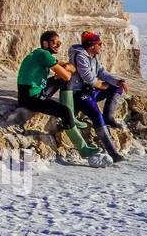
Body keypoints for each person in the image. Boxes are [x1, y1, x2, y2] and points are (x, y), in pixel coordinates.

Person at [16, 30, 101, 158]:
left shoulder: (41, 54)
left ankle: (72, 117)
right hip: (30, 98)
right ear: (45, 43)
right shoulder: (44, 55)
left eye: (59, 43)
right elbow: (67, 75)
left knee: (62, 79)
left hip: (36, 92)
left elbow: (69, 67)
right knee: (64, 111)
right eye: (54, 42)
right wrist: (66, 70)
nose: (57, 45)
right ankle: (83, 149)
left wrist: (66, 68)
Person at [67, 31, 129, 163]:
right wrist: (102, 85)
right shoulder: (80, 56)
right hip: (79, 94)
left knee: (117, 87)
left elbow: (102, 72)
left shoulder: (93, 57)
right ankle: (113, 153)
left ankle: (109, 117)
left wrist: (118, 81)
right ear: (92, 45)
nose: (101, 46)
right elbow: (88, 77)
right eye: (99, 44)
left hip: (90, 92)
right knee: (96, 114)